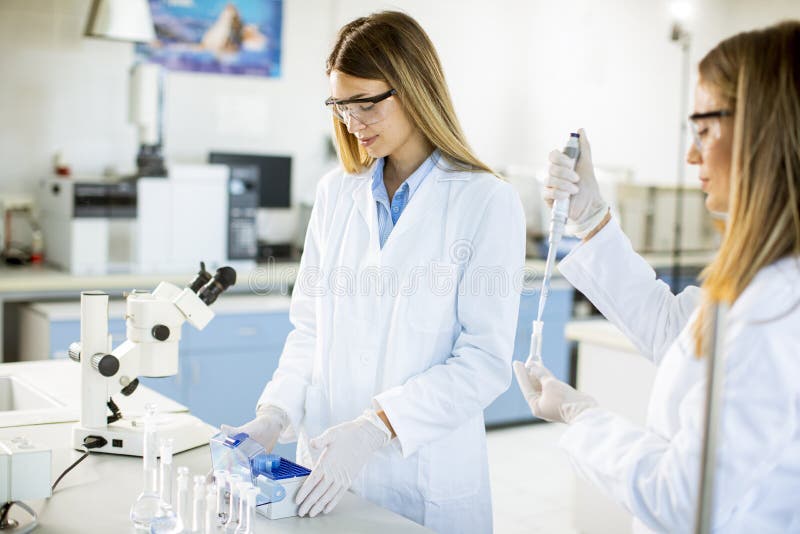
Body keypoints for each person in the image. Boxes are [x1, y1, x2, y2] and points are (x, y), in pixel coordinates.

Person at [223, 11, 526, 533]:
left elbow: (483, 361)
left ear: (414, 87)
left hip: (424, 484)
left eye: (366, 103)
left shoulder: (486, 201)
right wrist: (274, 414)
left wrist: (376, 427)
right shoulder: (335, 194)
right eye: (341, 105)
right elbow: (310, 329)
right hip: (324, 476)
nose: (351, 121)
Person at [514, 21, 800, 532]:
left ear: (766, 132)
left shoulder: (778, 310)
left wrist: (585, 418)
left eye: (705, 130)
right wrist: (590, 216)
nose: (691, 154)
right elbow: (677, 333)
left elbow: (682, 498)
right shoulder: (761, 281)